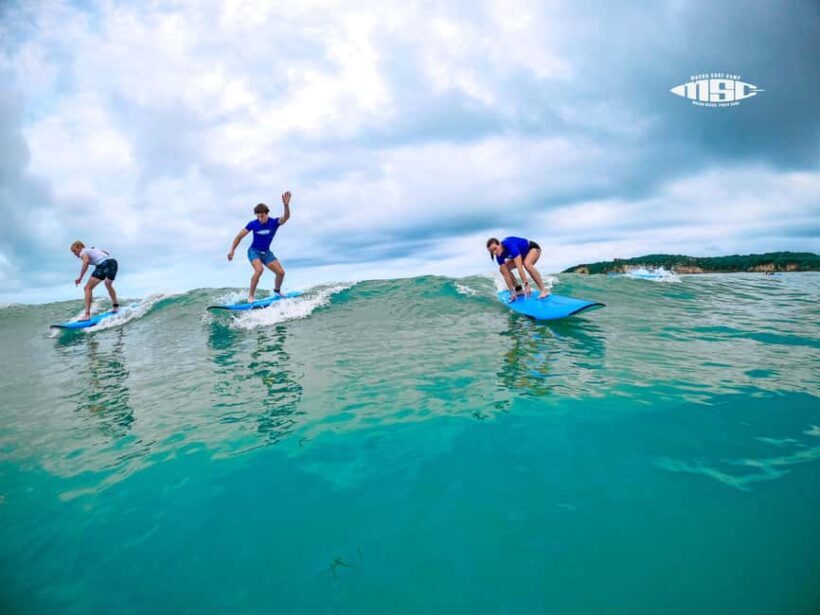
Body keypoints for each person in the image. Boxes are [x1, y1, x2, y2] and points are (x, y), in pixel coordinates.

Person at [227, 191, 292, 302]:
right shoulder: (253, 224)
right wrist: (232, 250)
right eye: (258, 217)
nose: (260, 219)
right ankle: (251, 296)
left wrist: (286, 205)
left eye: (262, 216)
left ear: (267, 214)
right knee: (259, 270)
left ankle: (277, 292)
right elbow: (239, 237)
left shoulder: (274, 222)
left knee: (281, 273)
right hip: (254, 251)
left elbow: (285, 217)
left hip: (266, 253)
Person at [486, 236, 549, 301]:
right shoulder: (499, 256)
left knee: (527, 263)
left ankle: (544, 290)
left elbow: (519, 268)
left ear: (499, 244)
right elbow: (506, 275)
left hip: (532, 248)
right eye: (492, 252)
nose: (495, 252)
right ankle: (518, 290)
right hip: (522, 255)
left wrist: (526, 285)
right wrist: (512, 292)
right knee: (503, 269)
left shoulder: (510, 245)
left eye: (495, 248)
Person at [70, 241, 119, 320]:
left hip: (103, 264)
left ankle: (87, 315)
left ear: (79, 247)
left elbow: (86, 261)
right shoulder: (93, 249)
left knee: (87, 288)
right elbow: (106, 252)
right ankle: (116, 307)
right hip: (113, 262)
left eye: (75, 251)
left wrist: (80, 277)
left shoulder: (83, 252)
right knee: (108, 284)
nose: (75, 254)